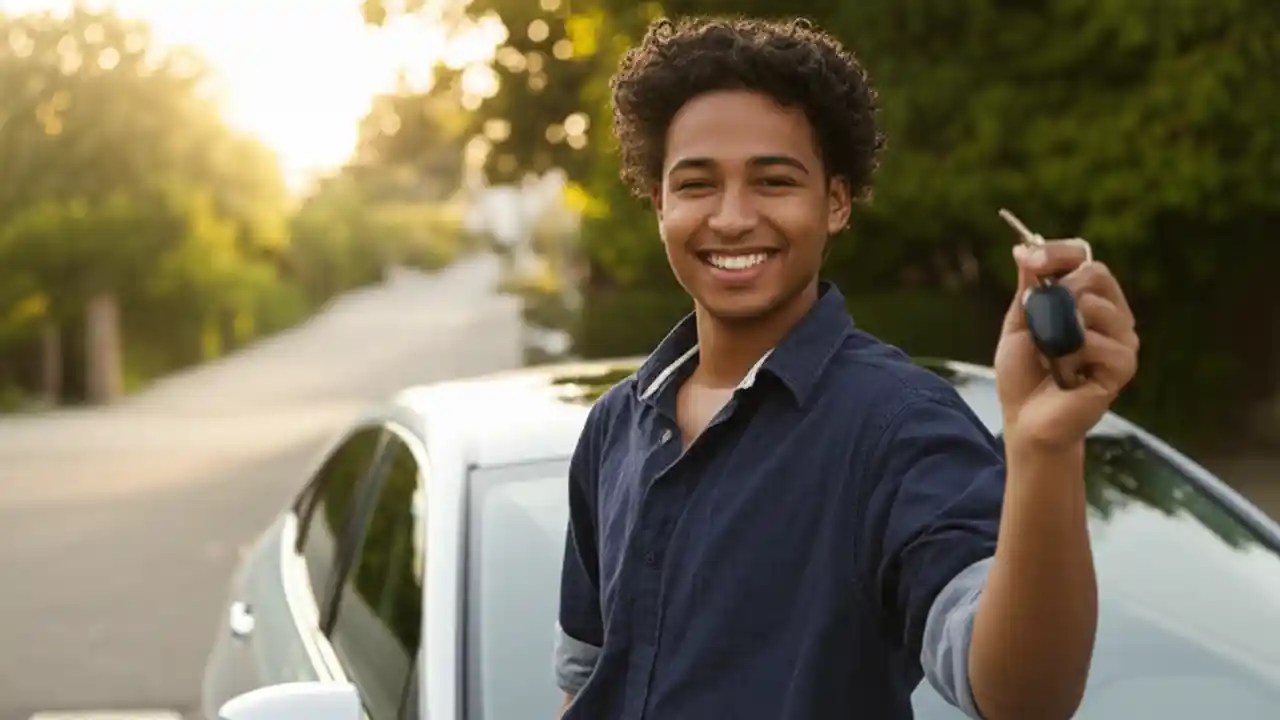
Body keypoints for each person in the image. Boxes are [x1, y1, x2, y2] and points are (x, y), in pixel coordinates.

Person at [554, 15, 1139, 720]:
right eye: (697, 184)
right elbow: (584, 683)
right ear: (659, 204)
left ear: (835, 202)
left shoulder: (901, 426)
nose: (733, 217)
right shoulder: (615, 425)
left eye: (774, 181)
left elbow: (1023, 696)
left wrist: (1046, 447)